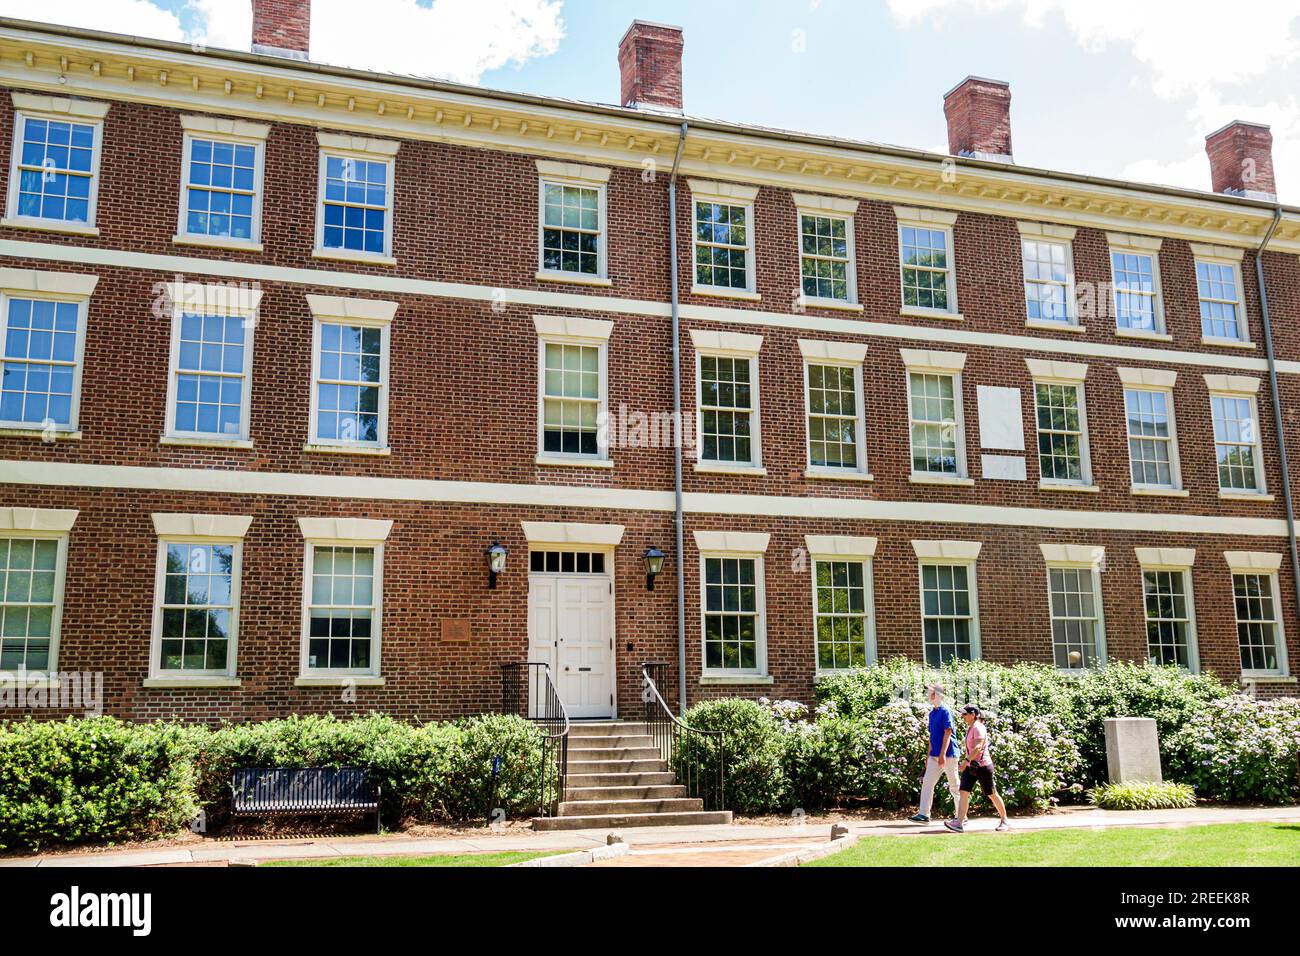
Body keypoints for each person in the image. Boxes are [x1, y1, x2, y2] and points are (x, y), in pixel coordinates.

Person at [945, 705, 1010, 833]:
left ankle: (1004, 820)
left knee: (992, 794)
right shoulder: (971, 727)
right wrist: (968, 762)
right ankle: (959, 822)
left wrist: (966, 761)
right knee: (963, 792)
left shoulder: (978, 727)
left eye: (965, 714)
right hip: (971, 767)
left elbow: (978, 747)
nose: (962, 716)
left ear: (973, 714)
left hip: (983, 766)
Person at [909, 684, 961, 824]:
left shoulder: (946, 711)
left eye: (930, 692)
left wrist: (942, 755)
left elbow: (948, 732)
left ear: (936, 695)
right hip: (934, 755)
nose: (928, 695)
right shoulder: (932, 713)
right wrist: (928, 756)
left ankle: (961, 816)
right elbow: (932, 736)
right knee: (927, 782)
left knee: (954, 785)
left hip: (949, 754)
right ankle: (924, 814)